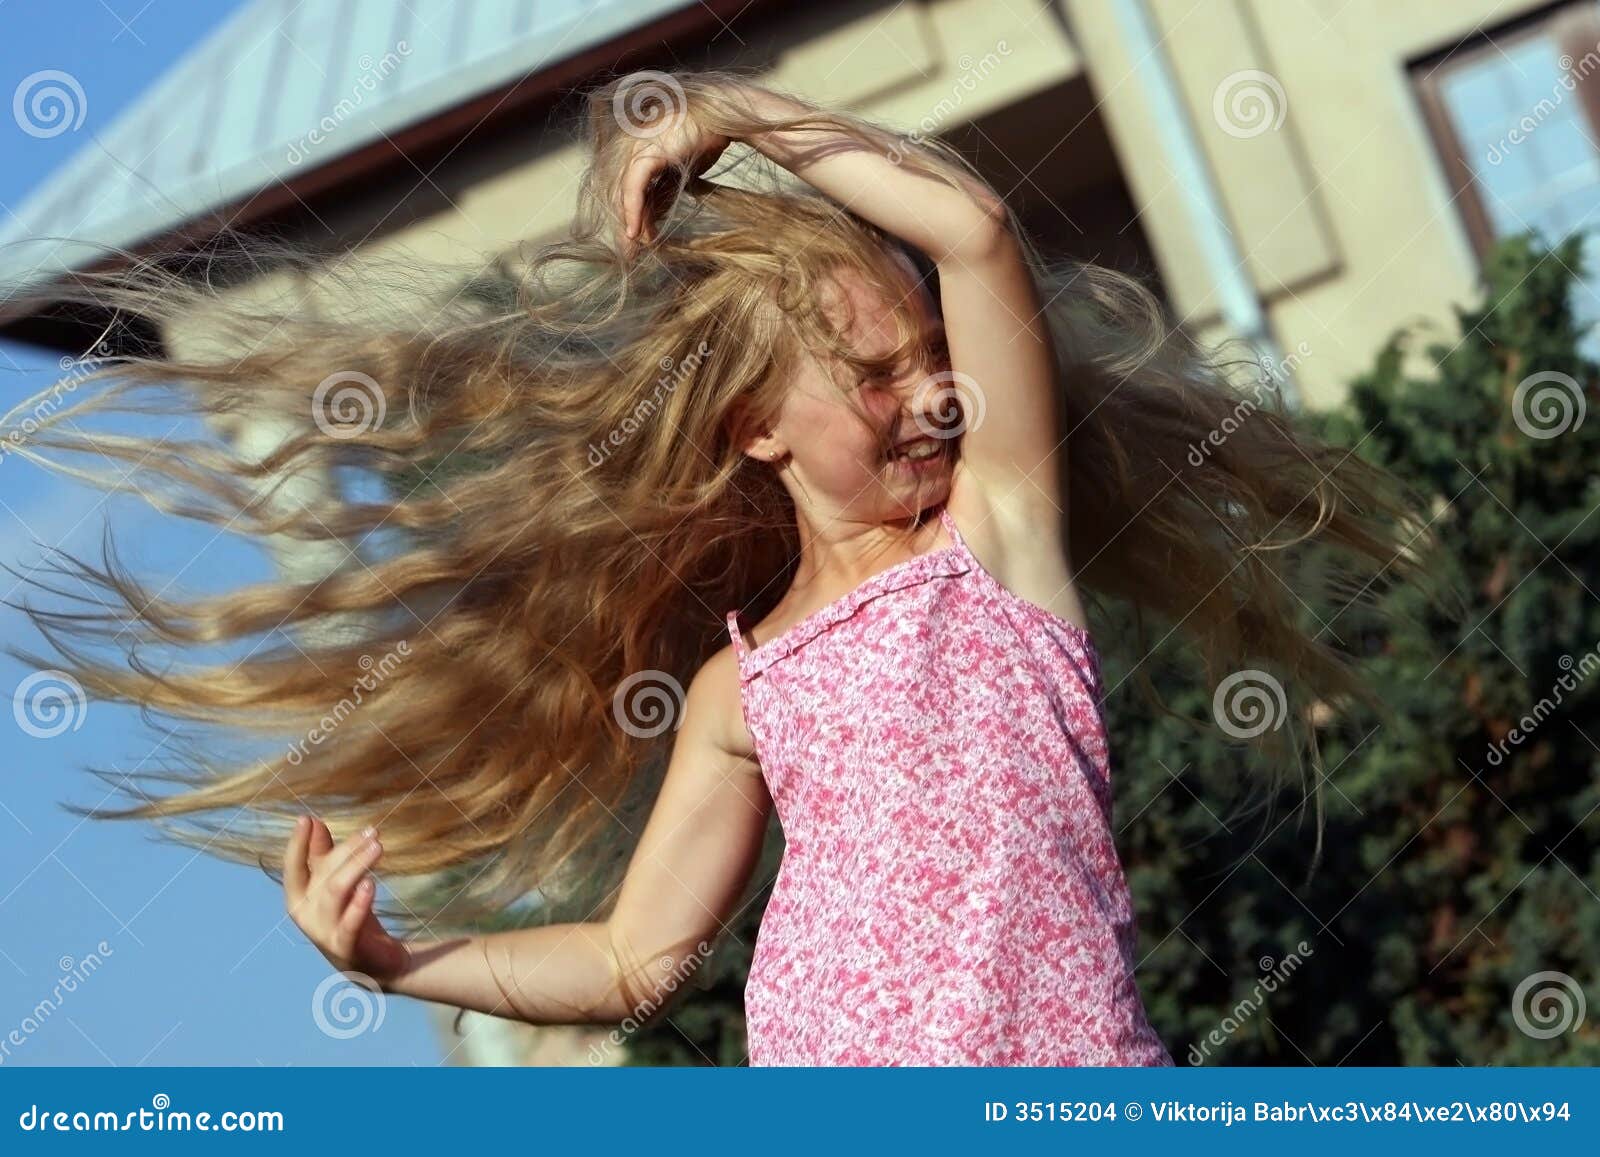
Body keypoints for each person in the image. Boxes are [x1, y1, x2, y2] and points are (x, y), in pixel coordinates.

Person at [2, 70, 1451, 1065]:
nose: (935, 397)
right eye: (876, 376)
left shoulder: (996, 537)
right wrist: (396, 960)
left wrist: (734, 115)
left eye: (939, 362)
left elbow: (976, 225)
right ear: (758, 425)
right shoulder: (736, 691)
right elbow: (636, 957)